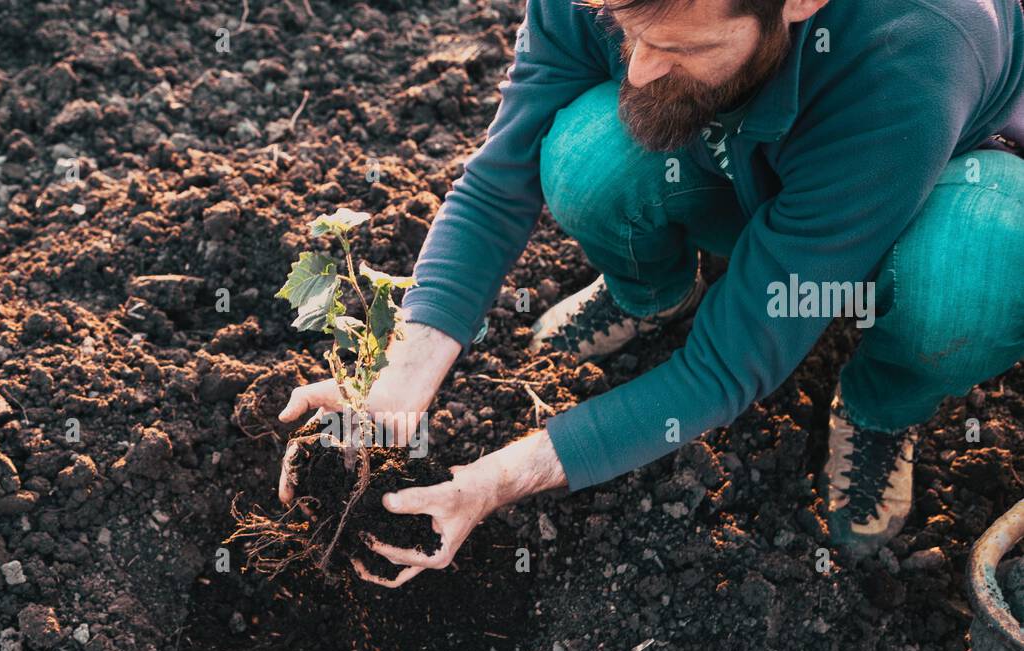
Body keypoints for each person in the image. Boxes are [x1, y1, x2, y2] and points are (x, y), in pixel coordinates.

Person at [280, 0, 1024, 587]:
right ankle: (654, 294)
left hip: (929, 174)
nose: (637, 71)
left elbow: (727, 367)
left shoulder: (912, 46)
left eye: (684, 47)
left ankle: (880, 407)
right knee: (585, 157)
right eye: (629, 31)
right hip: (756, 146)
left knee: (972, 278)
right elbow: (497, 185)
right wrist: (396, 390)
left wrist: (498, 480)